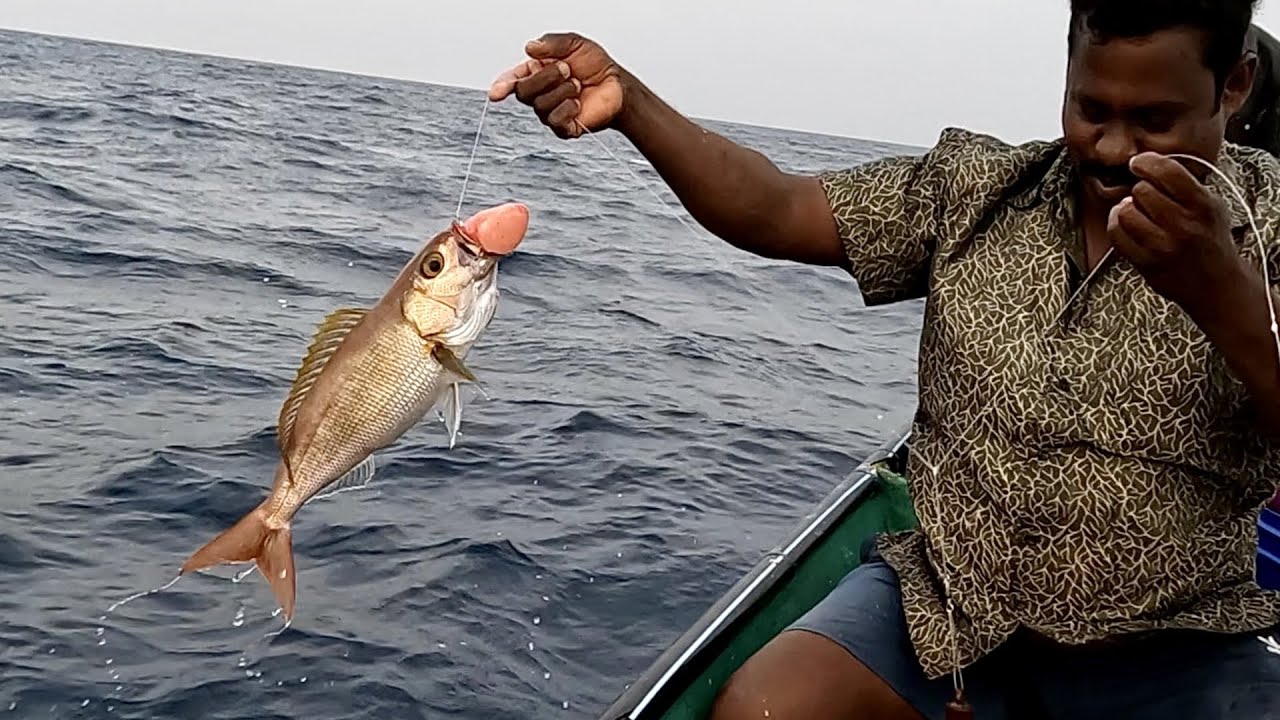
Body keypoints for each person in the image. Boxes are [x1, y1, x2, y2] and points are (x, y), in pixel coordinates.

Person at [490, 2, 1280, 718]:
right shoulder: (975, 192)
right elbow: (777, 207)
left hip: (1179, 650)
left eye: (1156, 120)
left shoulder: (1270, 223)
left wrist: (1227, 301)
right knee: (767, 706)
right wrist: (630, 102)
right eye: (1090, 108)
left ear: (1234, 87)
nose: (1111, 147)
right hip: (945, 617)